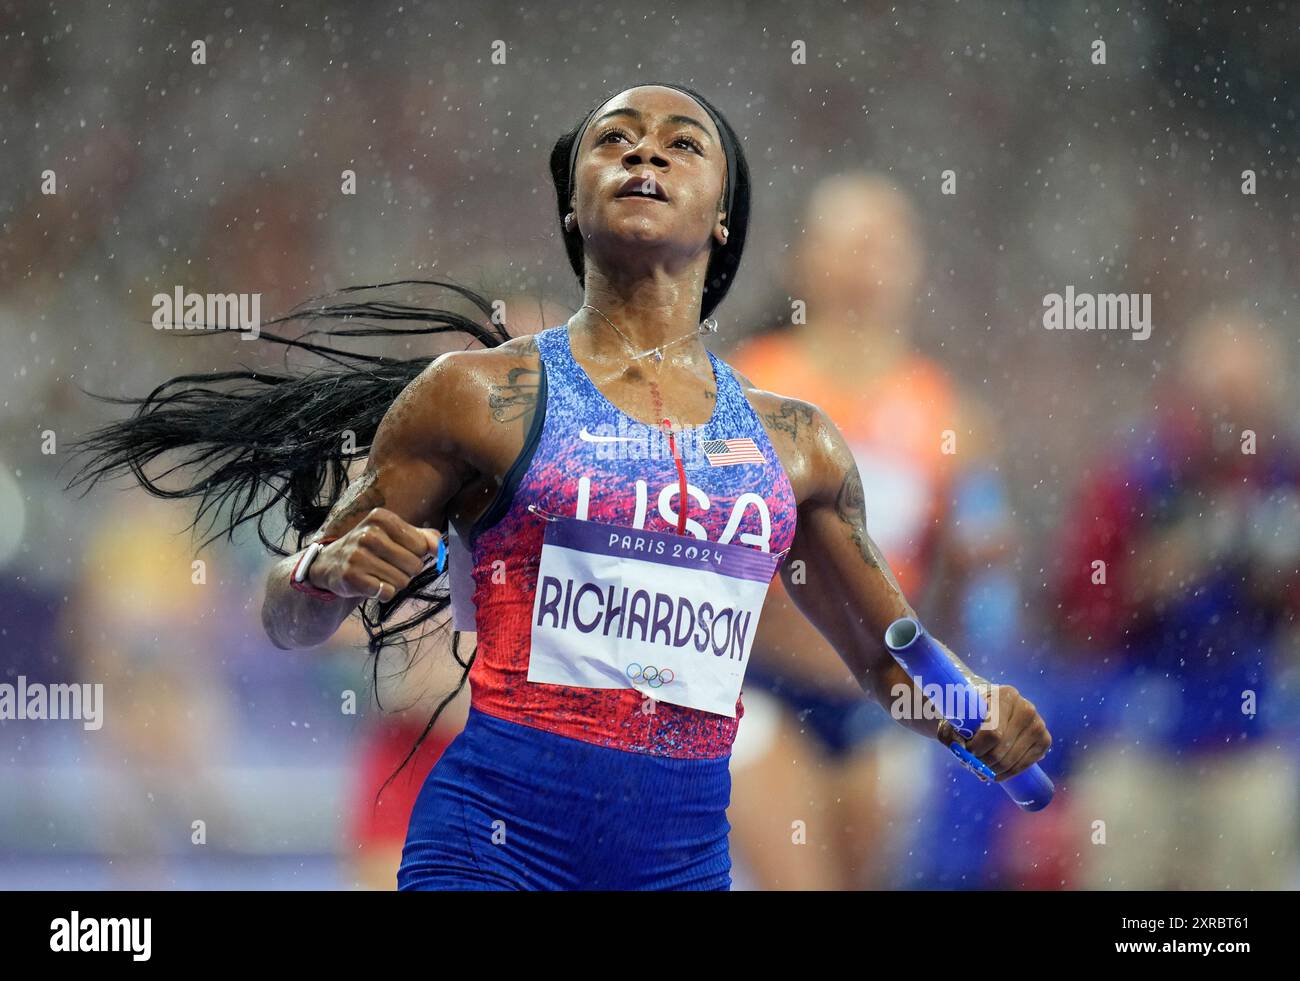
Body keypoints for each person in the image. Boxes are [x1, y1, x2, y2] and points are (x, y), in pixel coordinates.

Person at [72, 83, 1051, 891]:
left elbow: (887, 655)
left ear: (722, 222)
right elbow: (288, 618)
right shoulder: (476, 398)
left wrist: (970, 717)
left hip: (676, 870)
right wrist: (319, 575)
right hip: (489, 856)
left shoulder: (797, 447)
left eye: (681, 144)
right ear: (572, 209)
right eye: (614, 139)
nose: (646, 154)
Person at [727, 173, 1020, 889]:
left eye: (884, 247)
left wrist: (980, 572)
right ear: (805, 261)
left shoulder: (949, 416)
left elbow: (979, 601)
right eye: (849, 245)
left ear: (912, 266)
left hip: (881, 705)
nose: (866, 265)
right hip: (759, 685)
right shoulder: (746, 385)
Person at [1053, 309, 1299, 889]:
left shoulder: (1285, 479)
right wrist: (1153, 578)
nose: (1230, 416)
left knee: (1257, 823)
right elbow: (1078, 611)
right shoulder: (1136, 476)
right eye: (1218, 397)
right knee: (1119, 827)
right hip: (1143, 721)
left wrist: (1276, 576)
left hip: (1249, 728)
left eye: (1244, 400)